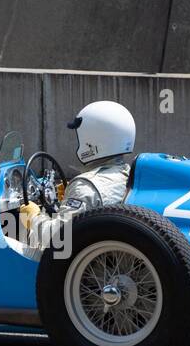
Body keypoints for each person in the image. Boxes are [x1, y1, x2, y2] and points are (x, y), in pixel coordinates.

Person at [19, 100, 135, 243]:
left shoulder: (86, 187)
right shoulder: (128, 173)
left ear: (92, 141)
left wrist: (34, 217)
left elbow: (58, 238)